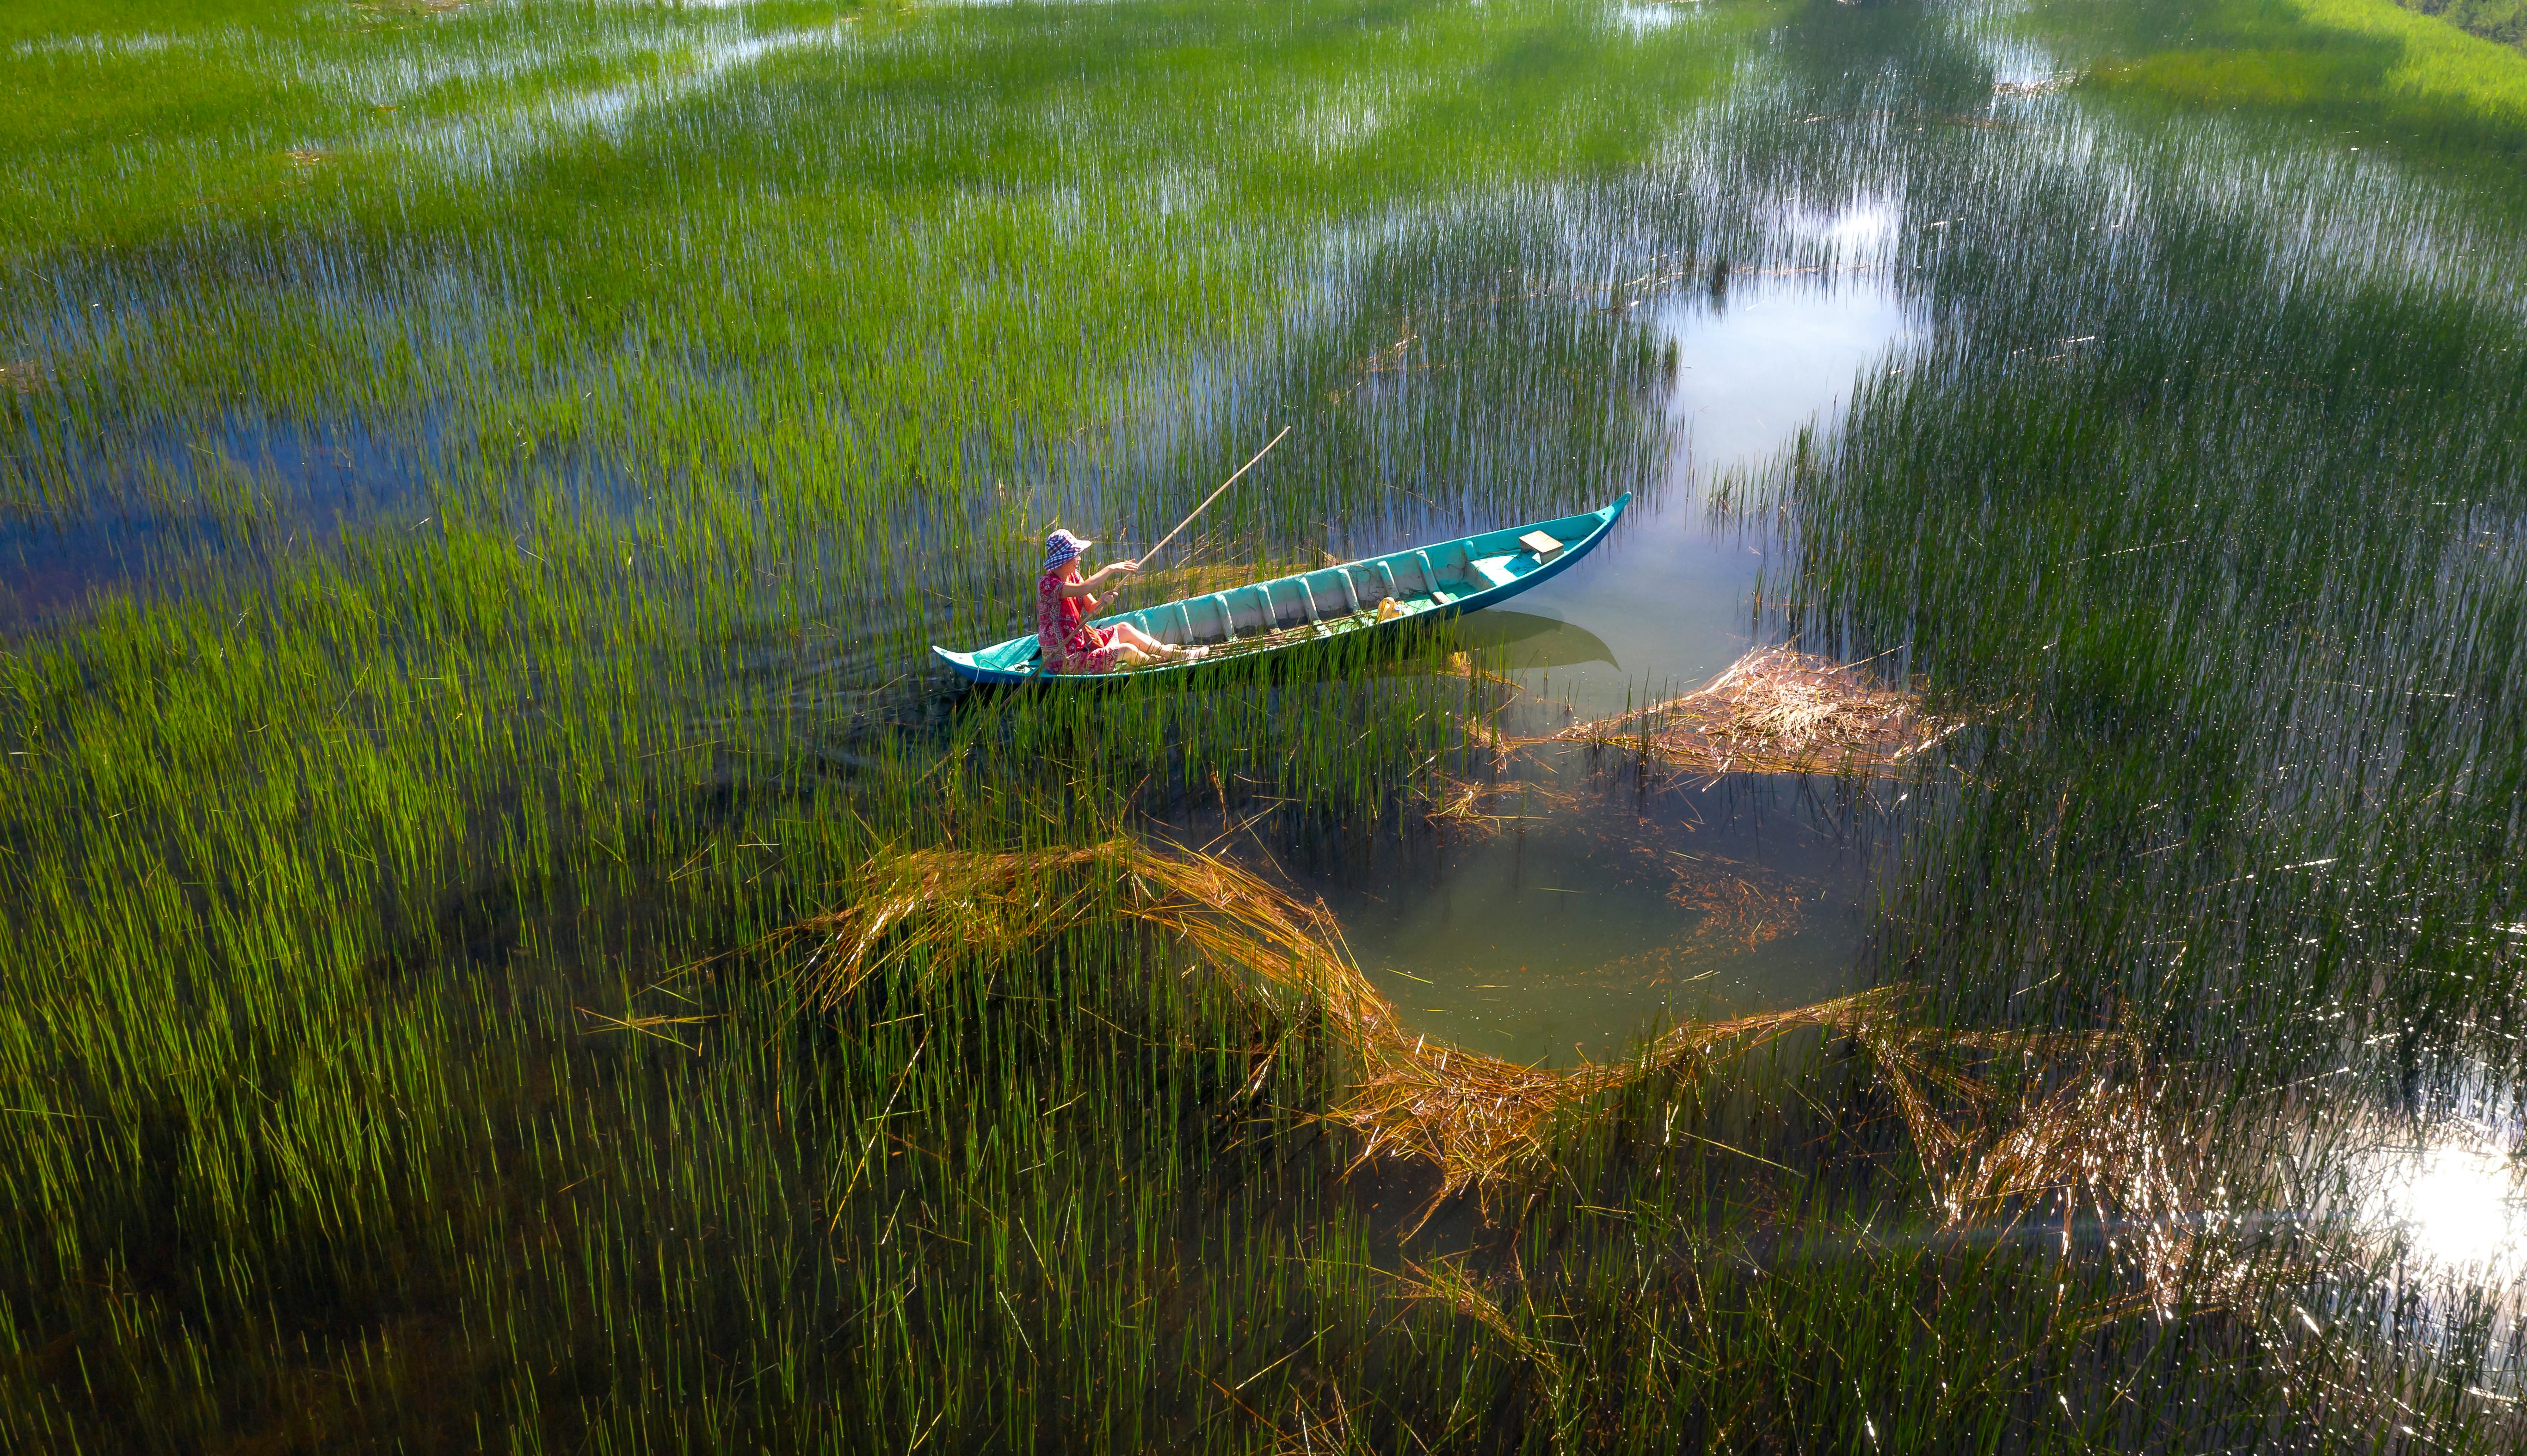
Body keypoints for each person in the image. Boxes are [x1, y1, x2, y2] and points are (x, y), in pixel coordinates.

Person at [1036, 528, 1205, 673]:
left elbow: (1093, 608)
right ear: (1065, 558)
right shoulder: (1047, 585)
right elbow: (1084, 589)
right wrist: (1111, 568)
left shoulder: (1074, 576)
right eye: (1076, 556)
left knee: (1124, 628)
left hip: (1081, 643)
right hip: (1064, 659)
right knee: (1128, 651)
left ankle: (1173, 655)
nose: (1079, 559)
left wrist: (1102, 601)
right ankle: (1160, 663)